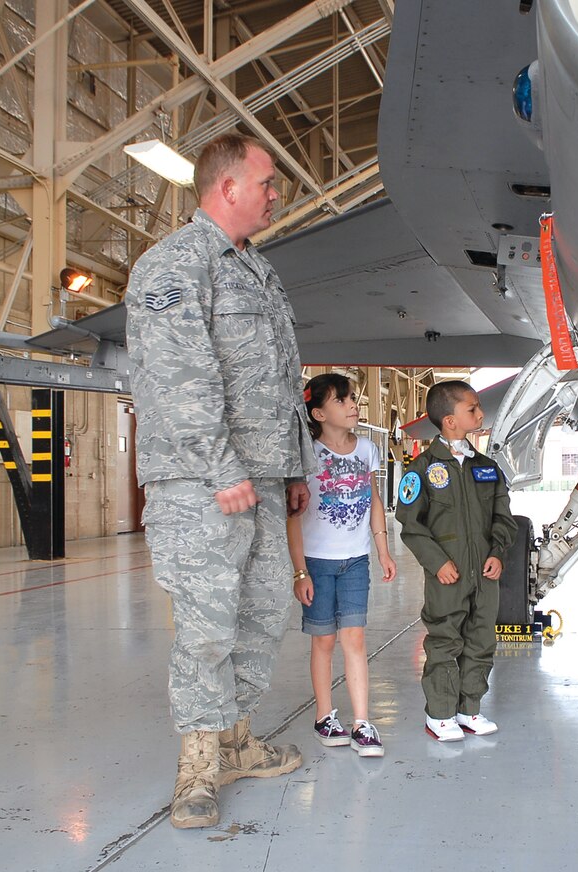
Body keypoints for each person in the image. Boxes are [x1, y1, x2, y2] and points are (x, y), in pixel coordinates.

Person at [125, 133, 316, 829]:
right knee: (206, 624)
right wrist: (222, 466)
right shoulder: (174, 266)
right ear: (227, 187)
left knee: (263, 611)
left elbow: (281, 379)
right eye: (266, 182)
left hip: (262, 480)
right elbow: (181, 378)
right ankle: (198, 766)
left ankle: (235, 739)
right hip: (203, 483)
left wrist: (292, 467)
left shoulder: (258, 271)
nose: (274, 195)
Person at [395, 381, 518, 742]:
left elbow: (504, 517)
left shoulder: (487, 468)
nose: (480, 414)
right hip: (448, 574)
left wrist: (498, 552)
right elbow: (411, 524)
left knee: (481, 639)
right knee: (445, 640)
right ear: (450, 420)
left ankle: (469, 710)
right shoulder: (422, 468)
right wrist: (436, 563)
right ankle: (441, 714)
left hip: (485, 572)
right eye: (473, 409)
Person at [287, 373, 396, 758]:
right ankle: (323, 716)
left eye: (352, 398)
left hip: (355, 561)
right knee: (324, 640)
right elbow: (294, 516)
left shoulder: (366, 449)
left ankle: (362, 722)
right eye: (342, 400)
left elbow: (375, 501)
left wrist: (382, 550)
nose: (353, 405)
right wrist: (299, 571)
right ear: (318, 412)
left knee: (355, 639)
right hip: (317, 563)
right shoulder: (306, 455)